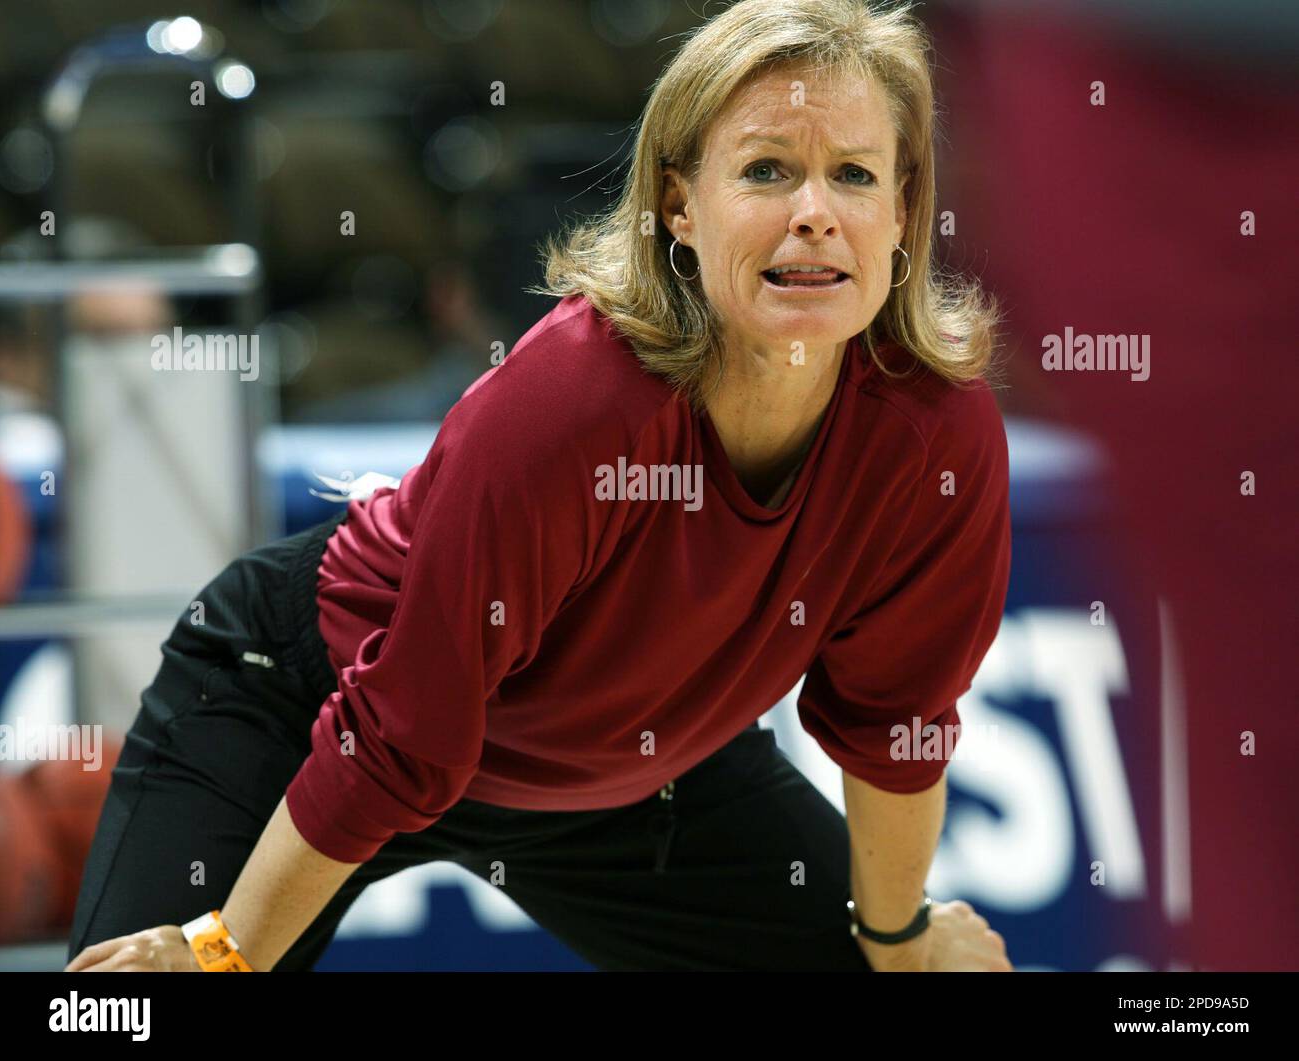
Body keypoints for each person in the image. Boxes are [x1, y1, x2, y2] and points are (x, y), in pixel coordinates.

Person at [65, 0, 1013, 973]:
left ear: (901, 210)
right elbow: (406, 734)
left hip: (637, 768)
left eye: (853, 174)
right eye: (767, 169)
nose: (814, 210)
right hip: (319, 699)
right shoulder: (575, 397)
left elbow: (894, 716)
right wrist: (223, 954)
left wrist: (896, 938)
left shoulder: (934, 428)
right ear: (678, 204)